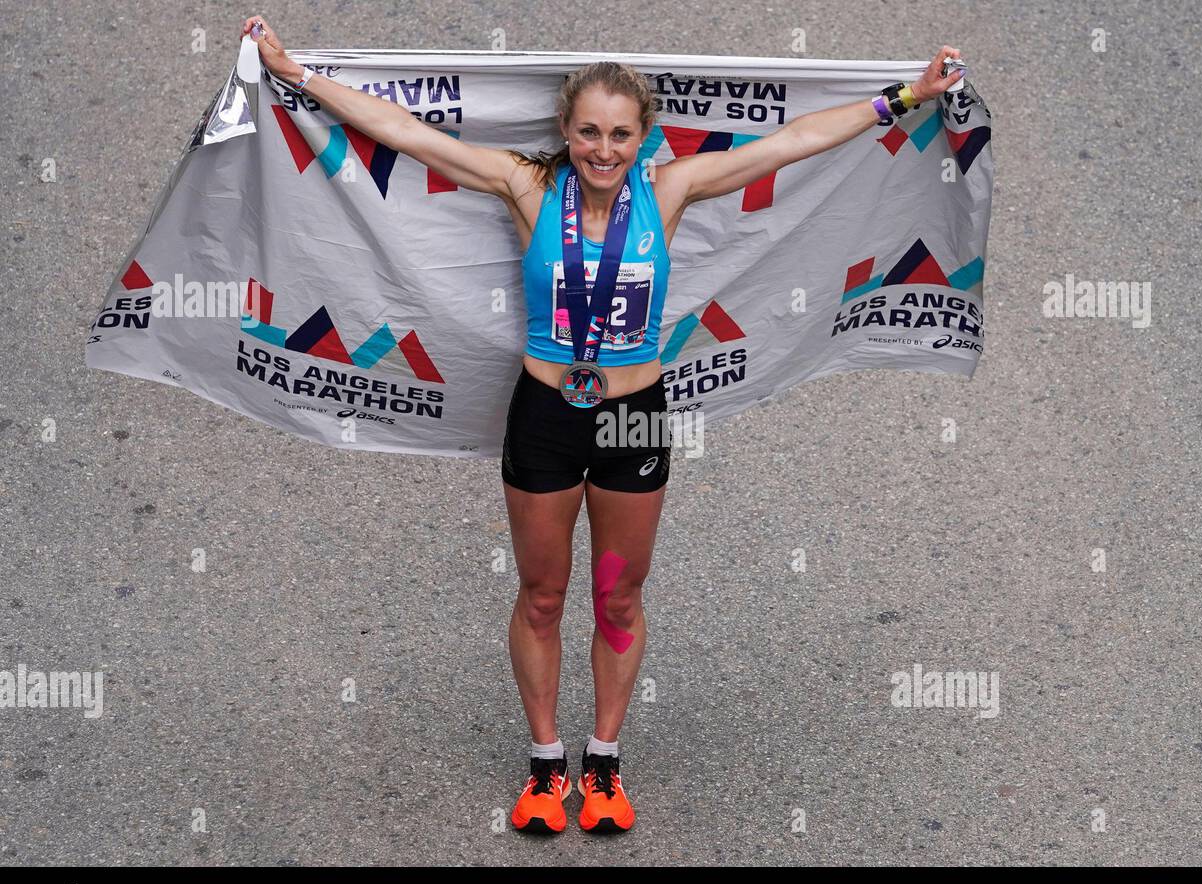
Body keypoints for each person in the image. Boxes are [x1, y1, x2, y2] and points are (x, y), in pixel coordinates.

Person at [241, 15, 964, 835]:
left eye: (620, 134)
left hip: (633, 422)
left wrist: (908, 96)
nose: (603, 150)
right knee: (542, 595)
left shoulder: (670, 191)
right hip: (546, 417)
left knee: (618, 596)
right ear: (565, 129)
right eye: (589, 132)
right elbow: (406, 133)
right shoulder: (526, 187)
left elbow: (793, 143)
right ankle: (546, 766)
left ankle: (605, 762)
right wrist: (294, 75)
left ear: (644, 136)